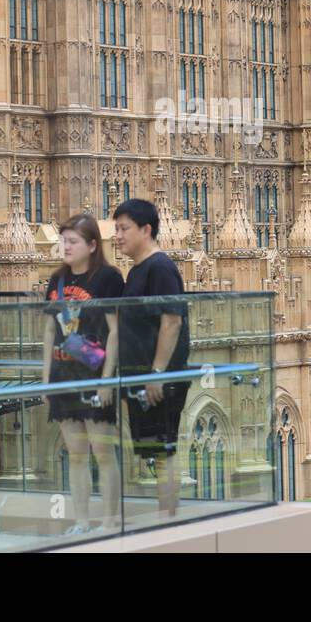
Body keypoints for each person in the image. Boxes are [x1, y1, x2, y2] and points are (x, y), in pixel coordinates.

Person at [41, 214, 124, 534]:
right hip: (64, 374)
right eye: (63, 240)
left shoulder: (108, 279)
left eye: (73, 241)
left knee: (103, 452)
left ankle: (110, 520)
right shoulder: (57, 280)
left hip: (93, 374)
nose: (66, 247)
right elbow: (49, 332)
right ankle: (80, 520)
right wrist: (46, 379)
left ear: (92, 245)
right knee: (75, 453)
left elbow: (115, 331)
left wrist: (107, 379)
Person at [111, 199, 189, 519]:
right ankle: (165, 517)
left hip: (158, 379)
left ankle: (167, 519)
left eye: (123, 228)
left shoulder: (160, 267)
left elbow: (172, 320)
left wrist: (156, 373)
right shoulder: (138, 270)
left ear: (146, 230)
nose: (117, 235)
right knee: (154, 450)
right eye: (116, 228)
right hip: (140, 375)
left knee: (162, 451)